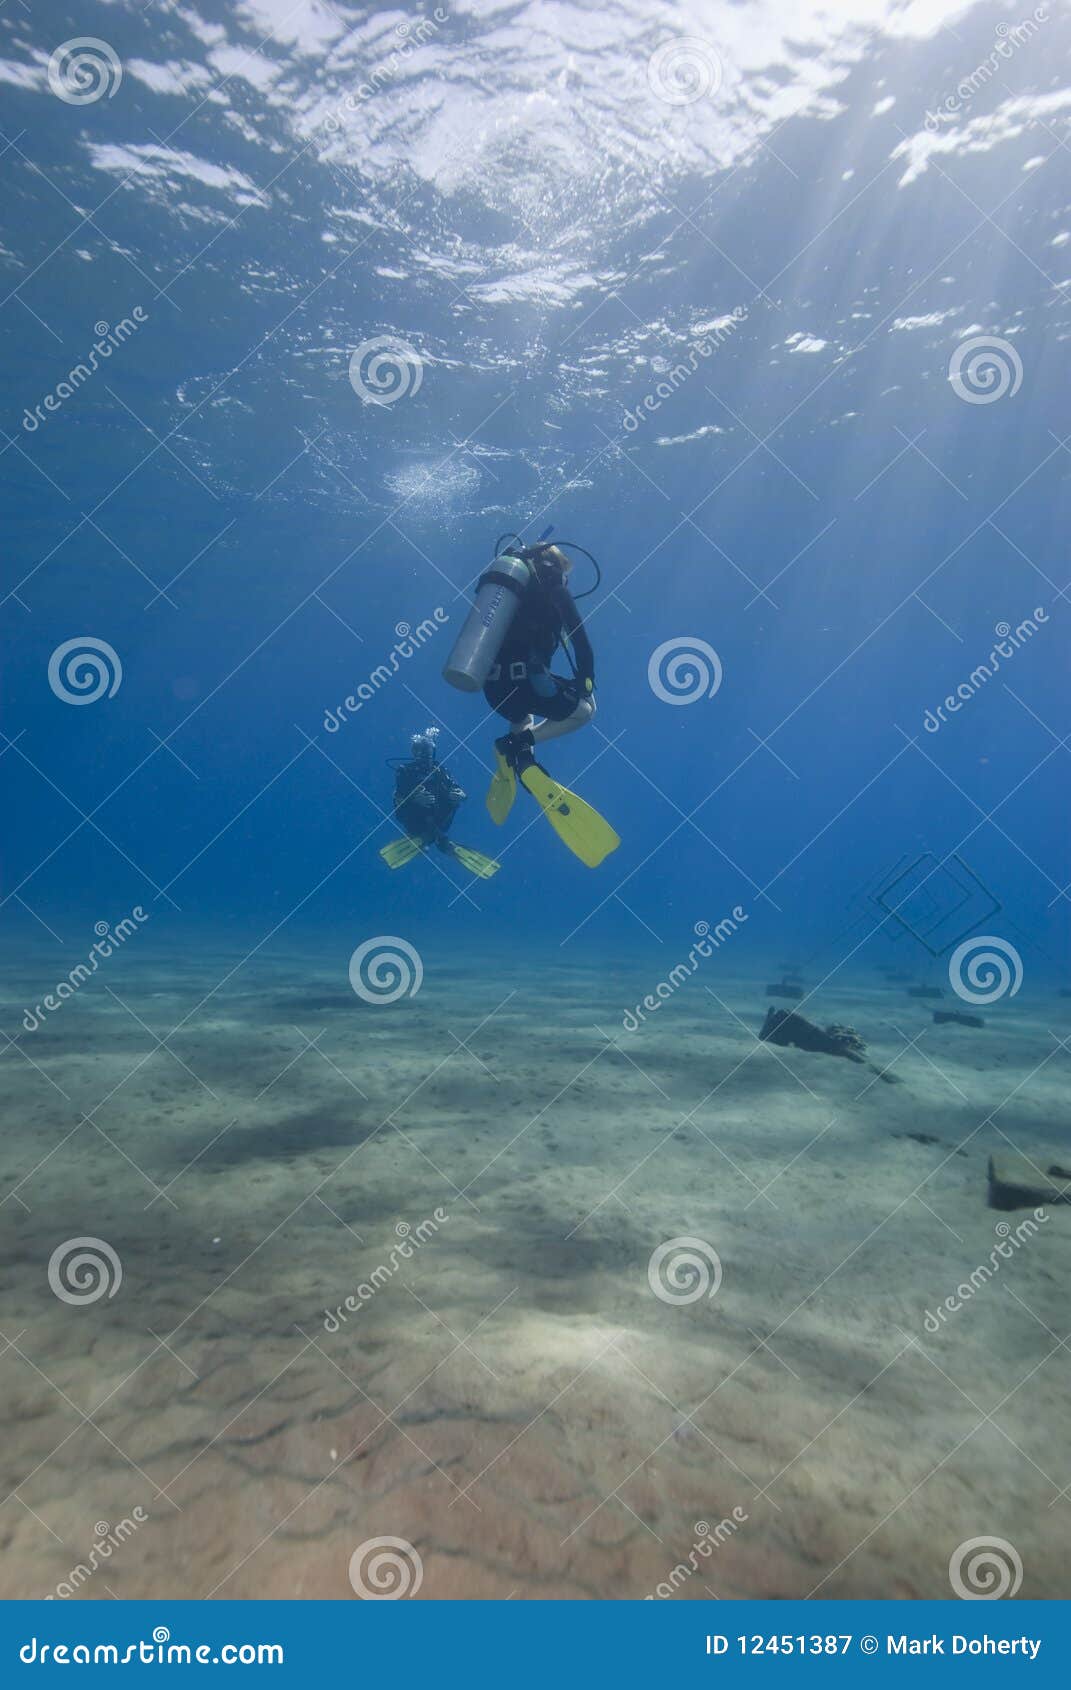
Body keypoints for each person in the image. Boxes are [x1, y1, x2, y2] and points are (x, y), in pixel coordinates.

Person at [481, 543, 619, 868]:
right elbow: (581, 641)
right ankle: (517, 745)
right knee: (586, 711)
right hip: (528, 684)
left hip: (493, 689)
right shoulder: (552, 585)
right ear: (556, 565)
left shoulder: (505, 592)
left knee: (521, 715)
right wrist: (586, 680)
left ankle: (522, 757)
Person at [379, 727, 500, 879]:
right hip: (415, 819)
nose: (426, 756)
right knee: (406, 799)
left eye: (429, 752)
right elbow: (399, 794)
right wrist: (413, 797)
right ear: (415, 753)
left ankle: (428, 839)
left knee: (447, 798)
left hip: (440, 818)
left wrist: (461, 795)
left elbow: (456, 789)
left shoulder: (440, 771)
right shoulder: (404, 771)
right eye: (423, 752)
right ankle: (439, 842)